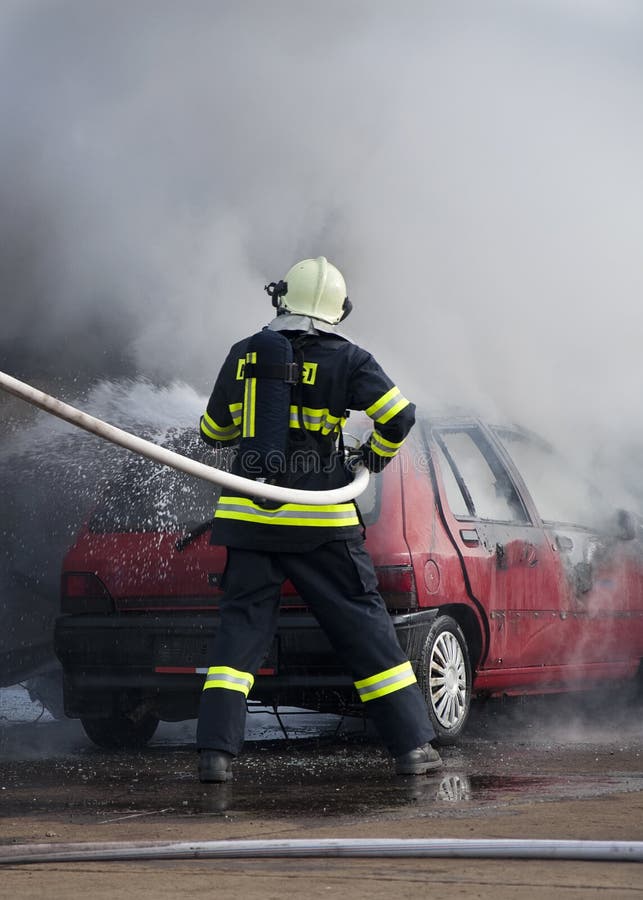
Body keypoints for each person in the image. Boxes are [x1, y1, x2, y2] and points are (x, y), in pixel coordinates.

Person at [196, 256, 442, 782]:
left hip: (249, 518)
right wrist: (372, 456)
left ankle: (215, 755)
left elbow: (214, 434)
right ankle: (412, 748)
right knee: (363, 627)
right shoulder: (349, 359)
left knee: (238, 637)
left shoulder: (244, 354)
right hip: (320, 518)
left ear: (283, 299)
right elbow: (399, 416)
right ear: (335, 309)